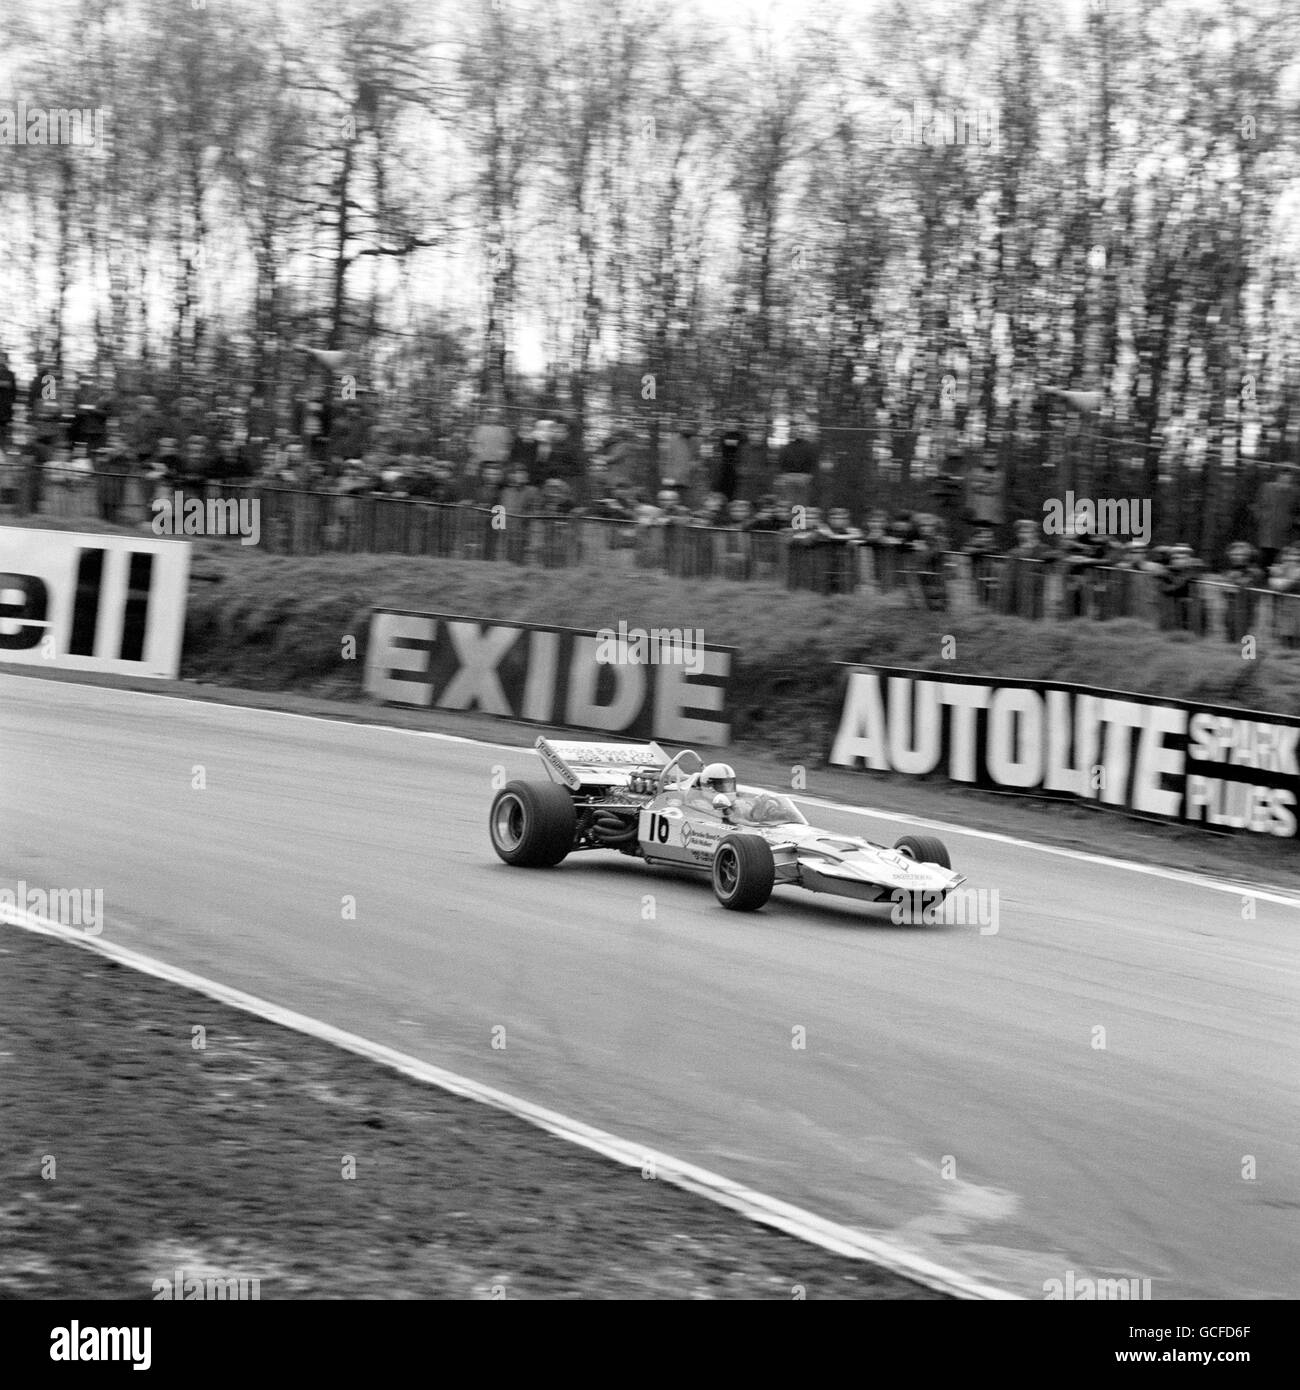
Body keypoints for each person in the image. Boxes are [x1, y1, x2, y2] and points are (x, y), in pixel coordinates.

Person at [1255, 464, 1297, 569]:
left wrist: (1291, 522)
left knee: (1278, 564)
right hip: (1266, 534)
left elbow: (1295, 511)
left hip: (1284, 536)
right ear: (1278, 475)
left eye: (1288, 475)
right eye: (1283, 474)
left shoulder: (1295, 492)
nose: (1285, 477)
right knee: (1264, 563)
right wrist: (1262, 517)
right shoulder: (1267, 487)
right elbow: (1258, 505)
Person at [713, 419, 745, 501]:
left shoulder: (742, 437)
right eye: (729, 423)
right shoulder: (723, 436)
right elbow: (722, 444)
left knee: (733, 489)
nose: (732, 425)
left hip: (736, 466)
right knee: (722, 489)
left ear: (738, 425)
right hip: (724, 466)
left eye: (734, 423)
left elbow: (740, 444)